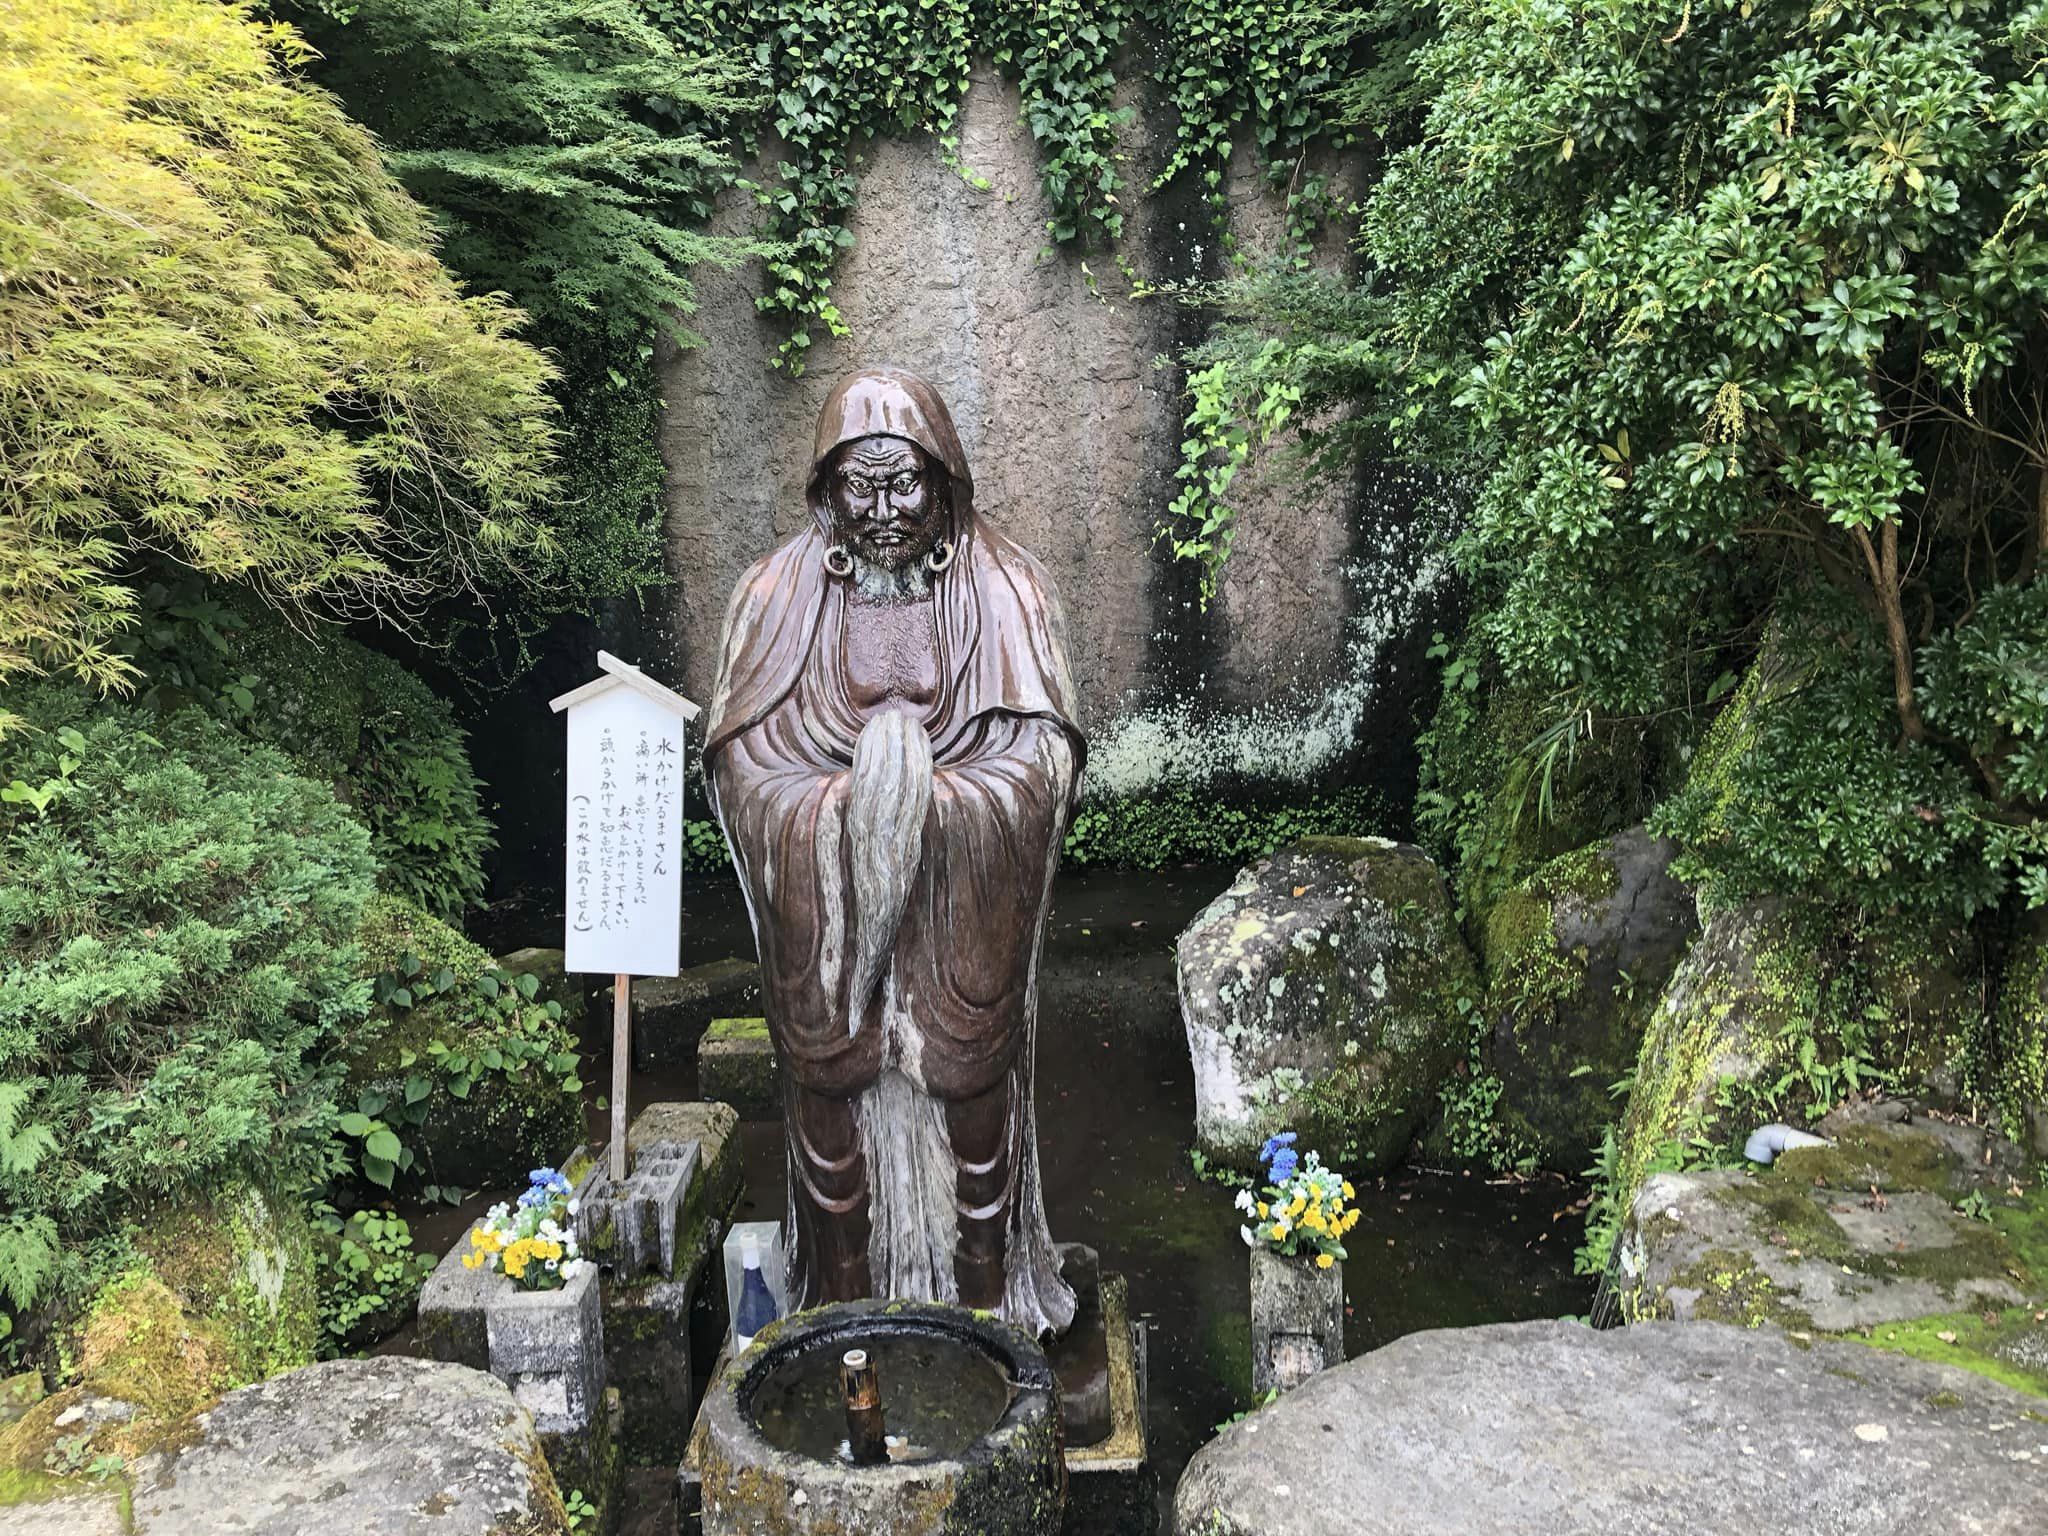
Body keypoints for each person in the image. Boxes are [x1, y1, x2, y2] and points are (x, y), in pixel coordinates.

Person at [703, 366, 1082, 1338]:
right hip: (823, 893)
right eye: (859, 488)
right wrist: (851, 808)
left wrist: (924, 802)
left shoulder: (1003, 585)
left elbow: (1039, 757)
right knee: (824, 1080)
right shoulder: (774, 594)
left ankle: (984, 1283)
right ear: (826, 491)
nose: (882, 513)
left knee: (973, 1078)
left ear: (943, 481)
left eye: (904, 484)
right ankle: (840, 1286)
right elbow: (745, 763)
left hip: (961, 891)